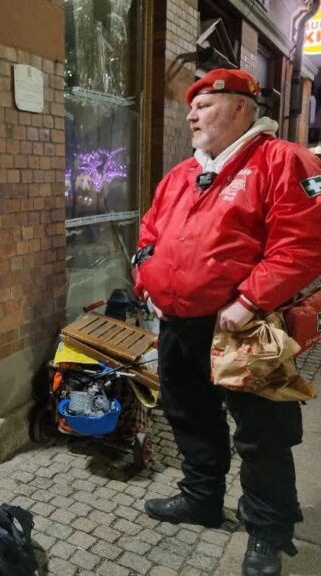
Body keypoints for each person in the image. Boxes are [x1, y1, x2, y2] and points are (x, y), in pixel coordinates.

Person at [134, 68, 321, 576]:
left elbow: (303, 243)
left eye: (204, 106)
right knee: (189, 414)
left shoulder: (282, 160)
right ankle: (202, 498)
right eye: (190, 107)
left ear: (240, 107)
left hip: (246, 327)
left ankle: (267, 531)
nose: (191, 116)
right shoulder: (179, 175)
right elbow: (147, 237)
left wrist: (250, 300)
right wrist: (147, 284)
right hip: (179, 324)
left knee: (262, 434)